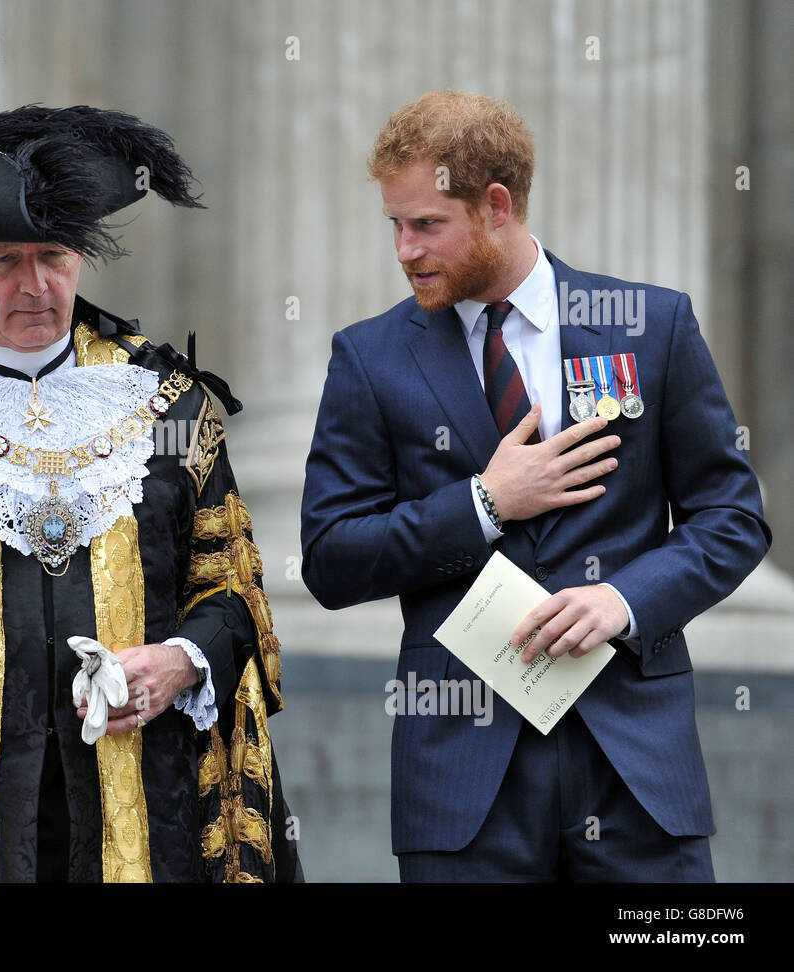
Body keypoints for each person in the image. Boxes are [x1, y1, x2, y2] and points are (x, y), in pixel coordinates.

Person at [0, 105, 301, 882]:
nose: (35, 284)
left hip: (146, 797)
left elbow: (234, 589)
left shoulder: (169, 405)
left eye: (54, 254)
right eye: (5, 261)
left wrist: (180, 660)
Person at [300, 91, 770, 882]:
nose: (406, 250)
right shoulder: (371, 357)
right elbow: (329, 558)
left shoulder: (648, 327)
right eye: (395, 226)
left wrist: (623, 602)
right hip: (462, 776)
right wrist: (482, 505)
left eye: (426, 225)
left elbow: (731, 518)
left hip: (636, 767)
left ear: (495, 207)